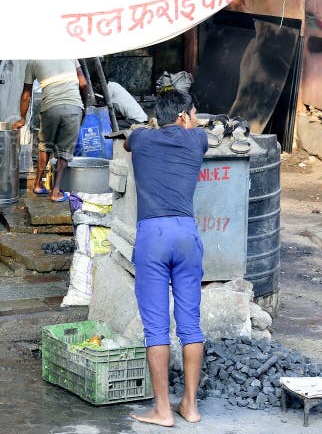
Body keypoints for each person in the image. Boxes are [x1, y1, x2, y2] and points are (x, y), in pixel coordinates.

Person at [123, 89, 208, 426]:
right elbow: (195, 130)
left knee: (156, 328)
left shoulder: (141, 140)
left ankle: (162, 409)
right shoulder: (197, 140)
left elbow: (130, 140)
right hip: (186, 234)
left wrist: (149, 125)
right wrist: (189, 123)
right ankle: (190, 405)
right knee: (190, 325)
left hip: (152, 237)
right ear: (185, 117)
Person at [12, 60, 88, 202]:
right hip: (73, 107)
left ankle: (38, 184)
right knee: (64, 151)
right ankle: (56, 191)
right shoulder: (71, 55)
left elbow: (26, 95)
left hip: (50, 107)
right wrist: (85, 106)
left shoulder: (32, 62)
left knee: (45, 146)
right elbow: (83, 84)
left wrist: (22, 119)